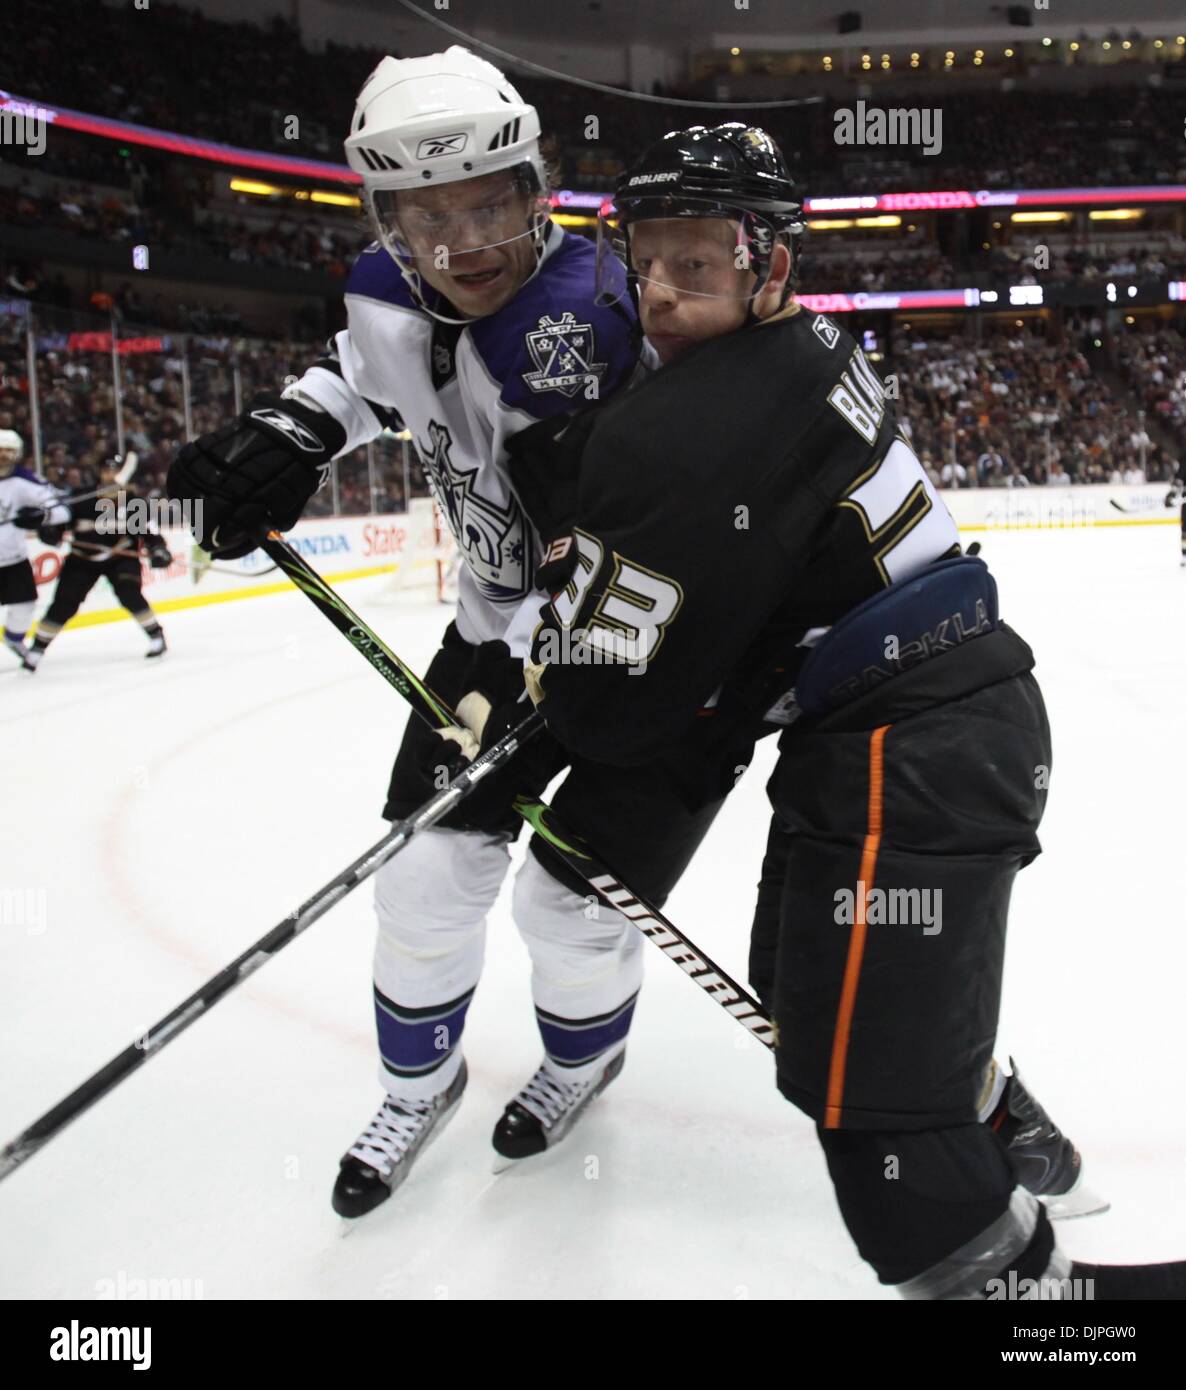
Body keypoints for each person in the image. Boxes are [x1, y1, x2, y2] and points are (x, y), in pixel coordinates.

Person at [453, 125, 1156, 1297]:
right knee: (806, 998)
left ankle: (1047, 1308)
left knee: (874, 1110)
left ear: (772, 264)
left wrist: (548, 703)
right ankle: (1003, 1119)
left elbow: (618, 714)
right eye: (650, 258)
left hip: (915, 751)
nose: (666, 292)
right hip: (929, 727)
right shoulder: (808, 346)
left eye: (705, 263)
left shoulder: (682, 428)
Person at [167, 49, 745, 1221]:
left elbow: (681, 523)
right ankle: (416, 1085)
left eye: (492, 201)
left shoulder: (600, 316)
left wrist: (570, 648)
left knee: (570, 900)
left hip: (648, 653)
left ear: (538, 190)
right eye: (429, 216)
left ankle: (583, 1059)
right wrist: (291, 428)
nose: (467, 240)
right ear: (387, 216)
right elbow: (365, 377)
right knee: (422, 881)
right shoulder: (381, 291)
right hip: (496, 640)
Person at [21, 454, 171, 671]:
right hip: (83, 558)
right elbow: (60, 524)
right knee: (64, 604)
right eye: (107, 470)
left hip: (121, 556)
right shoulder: (81, 498)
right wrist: (48, 530)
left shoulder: (132, 502)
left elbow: (150, 533)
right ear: (100, 473)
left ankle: (156, 635)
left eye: (116, 470)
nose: (111, 475)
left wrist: (158, 549)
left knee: (129, 593)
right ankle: (37, 648)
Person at [0, 429, 71, 661]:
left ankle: (13, 638)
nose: (3, 454)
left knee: (25, 606)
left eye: (8, 450)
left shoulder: (25, 480)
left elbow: (62, 510)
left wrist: (41, 517)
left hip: (12, 559)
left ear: (17, 453)